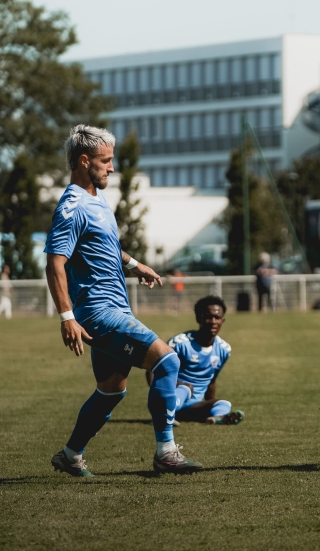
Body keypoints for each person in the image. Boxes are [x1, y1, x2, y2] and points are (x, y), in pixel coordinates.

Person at [45, 125, 202, 477]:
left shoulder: (96, 200)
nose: (111, 168)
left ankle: (70, 455)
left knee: (111, 391)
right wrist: (67, 317)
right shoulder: (71, 207)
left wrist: (135, 266)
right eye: (106, 161)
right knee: (166, 362)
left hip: (114, 307)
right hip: (99, 313)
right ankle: (166, 451)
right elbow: (55, 262)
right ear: (85, 162)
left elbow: (106, 247)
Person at [166, 295, 244, 425]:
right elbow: (152, 371)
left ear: (222, 321)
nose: (213, 321)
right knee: (185, 389)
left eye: (217, 318)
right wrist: (177, 387)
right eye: (209, 317)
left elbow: (211, 380)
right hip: (172, 397)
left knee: (224, 403)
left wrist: (209, 403)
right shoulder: (180, 343)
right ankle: (165, 414)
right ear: (198, 318)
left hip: (194, 406)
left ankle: (218, 417)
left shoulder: (224, 349)